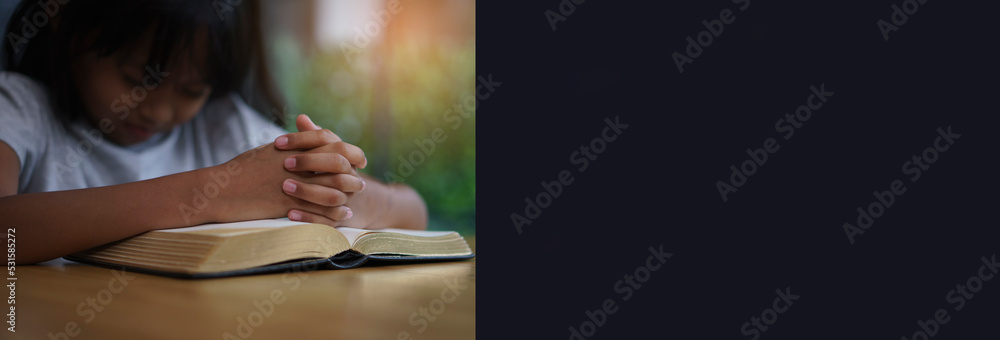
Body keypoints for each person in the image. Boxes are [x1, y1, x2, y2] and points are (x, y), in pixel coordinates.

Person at [0, 0, 428, 264]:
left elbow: (413, 212)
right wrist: (213, 193)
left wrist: (339, 191)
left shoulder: (219, 124)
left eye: (192, 90)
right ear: (61, 16)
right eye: (137, 78)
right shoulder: (21, 109)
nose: (161, 109)